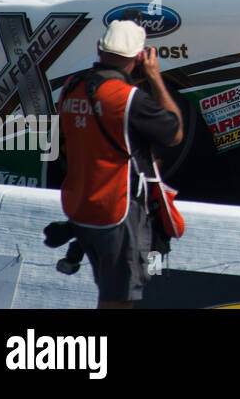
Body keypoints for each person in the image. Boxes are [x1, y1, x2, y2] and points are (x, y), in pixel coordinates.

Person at [58, 21, 183, 309]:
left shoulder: (71, 88)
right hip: (117, 212)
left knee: (109, 293)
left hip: (80, 208)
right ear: (139, 56)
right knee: (118, 302)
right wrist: (154, 78)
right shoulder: (126, 98)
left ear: (99, 49)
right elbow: (174, 133)